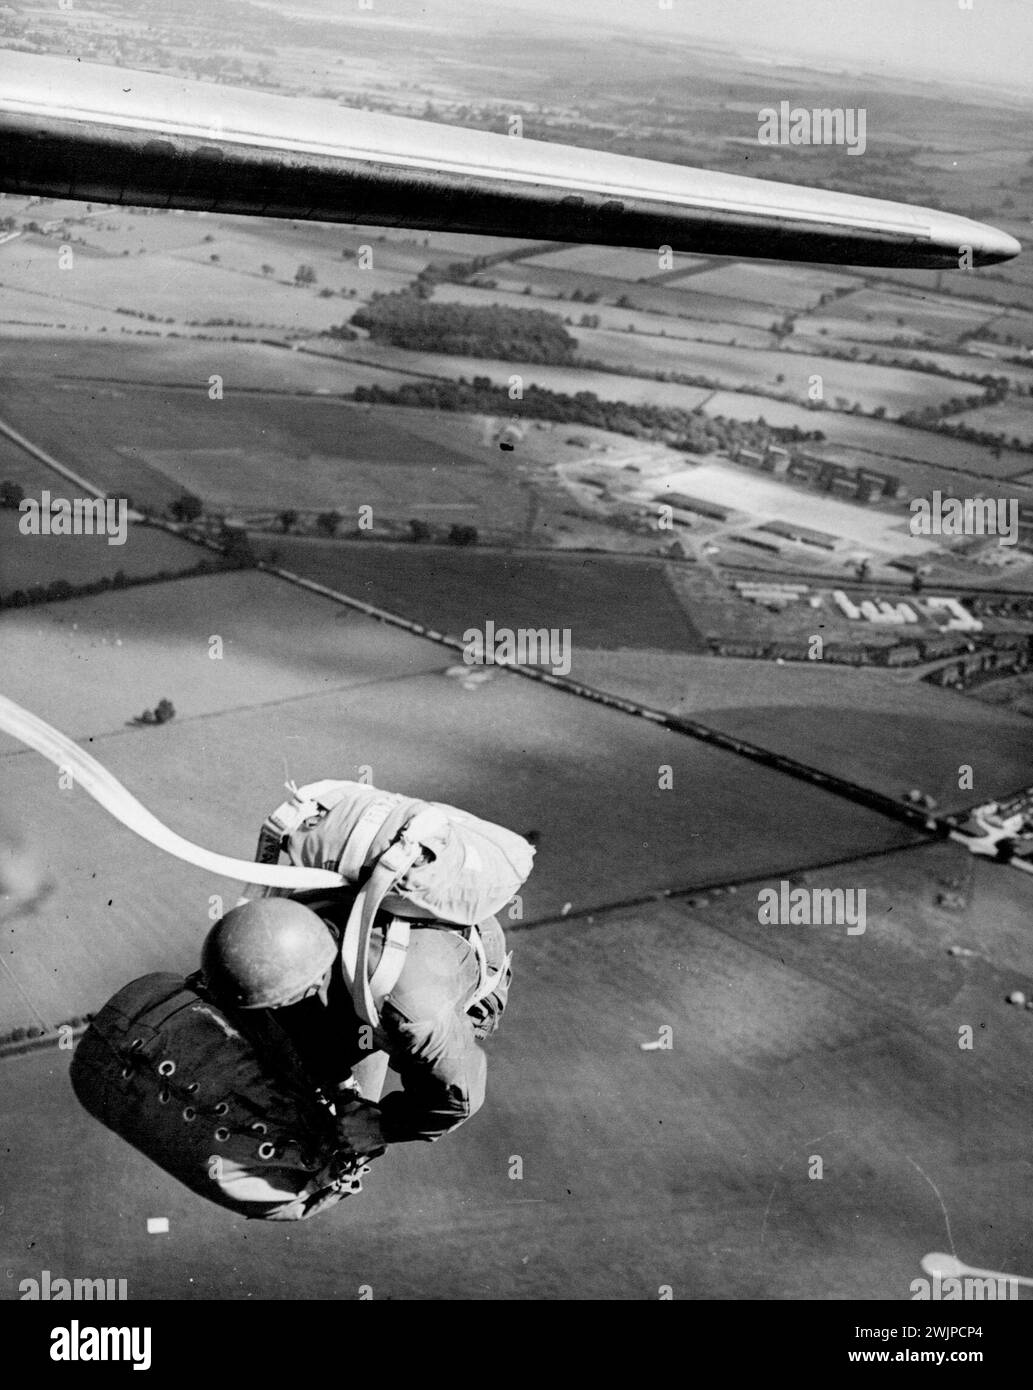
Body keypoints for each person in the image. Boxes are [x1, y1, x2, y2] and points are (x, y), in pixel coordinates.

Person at [199, 891, 511, 1163]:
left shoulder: (414, 1016)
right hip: (381, 937)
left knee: (367, 1044)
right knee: (291, 1031)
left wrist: (380, 1128)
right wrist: (339, 1085)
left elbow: (458, 1097)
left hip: (462, 958)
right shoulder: (289, 917)